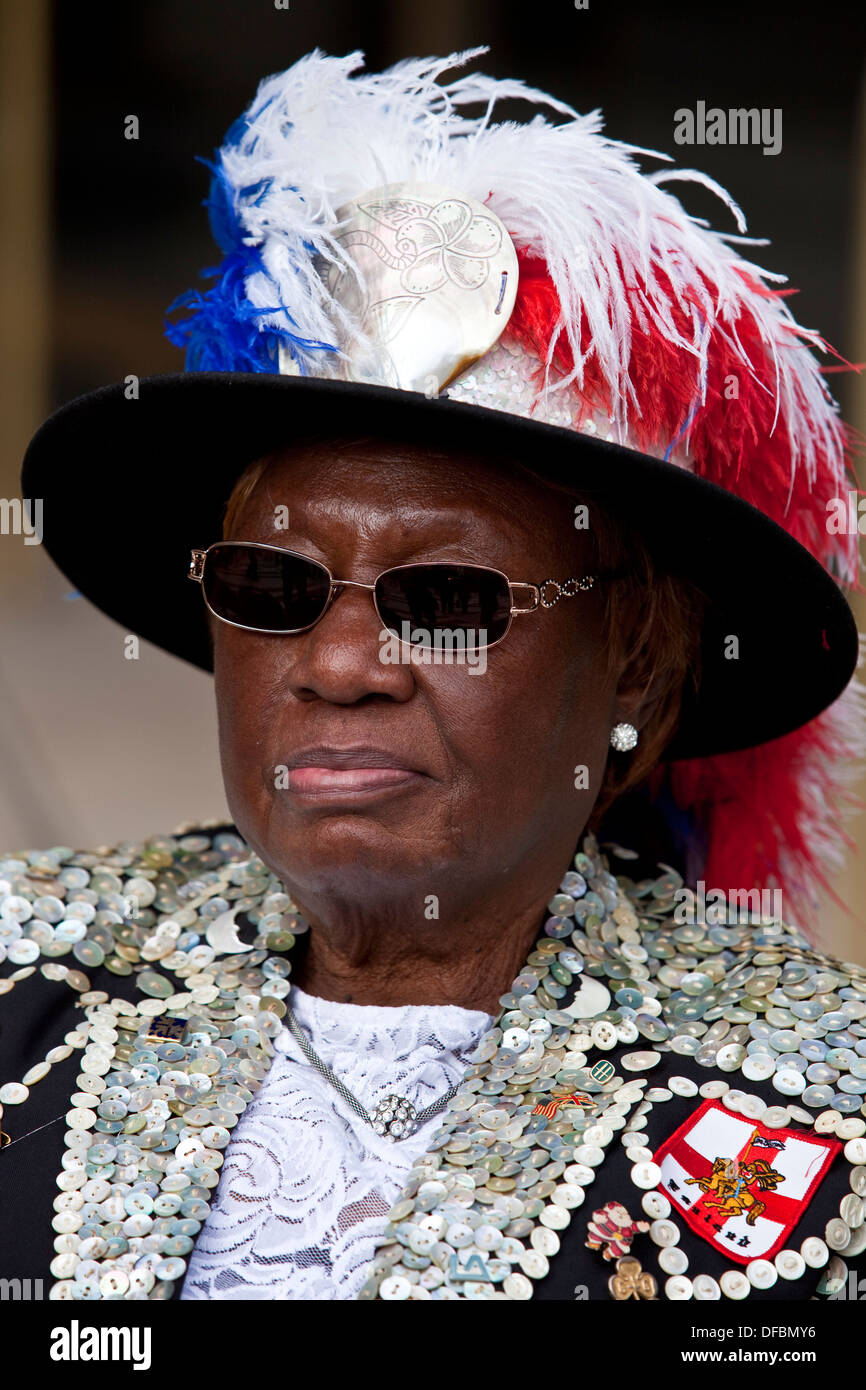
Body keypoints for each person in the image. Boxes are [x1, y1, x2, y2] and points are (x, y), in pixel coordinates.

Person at [3, 47, 865, 1304]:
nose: (341, 664)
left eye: (449, 601)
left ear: (632, 662)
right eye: (274, 587)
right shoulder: (24, 965)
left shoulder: (819, 1120)